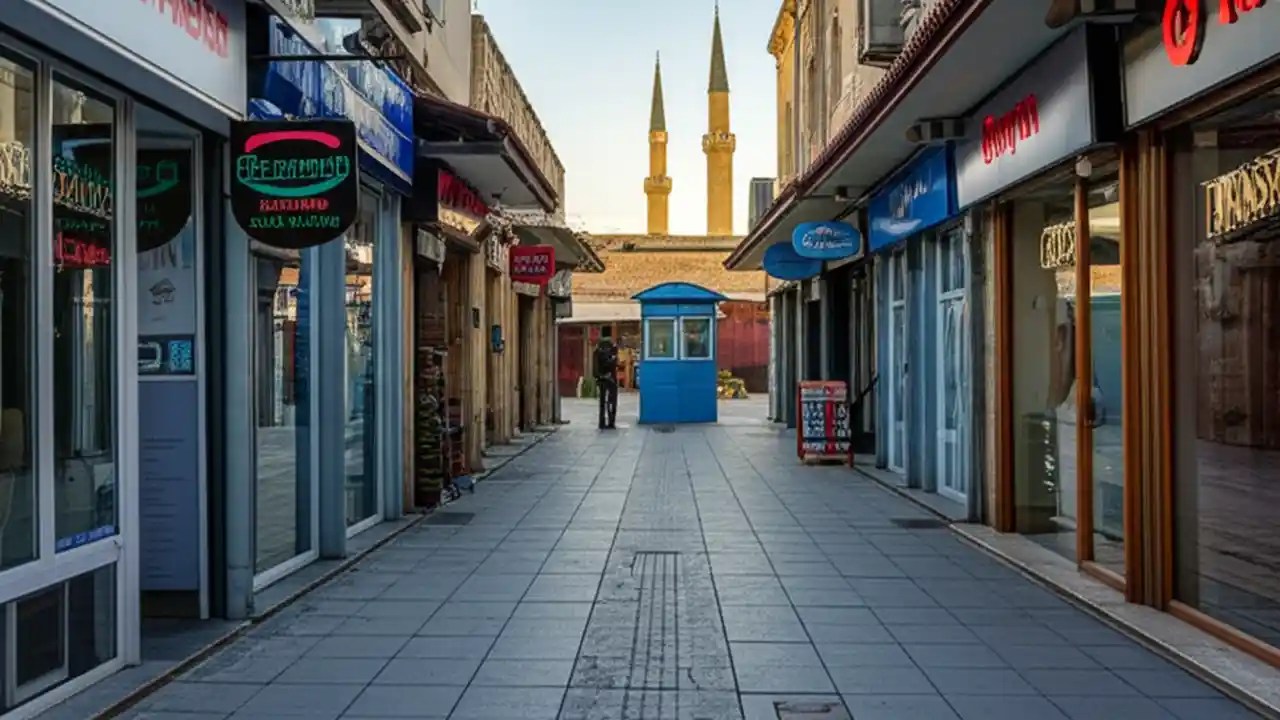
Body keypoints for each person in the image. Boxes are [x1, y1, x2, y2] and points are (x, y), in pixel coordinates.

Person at [593, 333, 619, 429]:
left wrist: (599, 376)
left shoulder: (597, 352)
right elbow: (613, 365)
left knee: (603, 402)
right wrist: (613, 359)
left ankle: (602, 422)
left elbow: (595, 369)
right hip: (610, 379)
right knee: (611, 401)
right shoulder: (611, 353)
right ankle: (611, 422)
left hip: (602, 379)